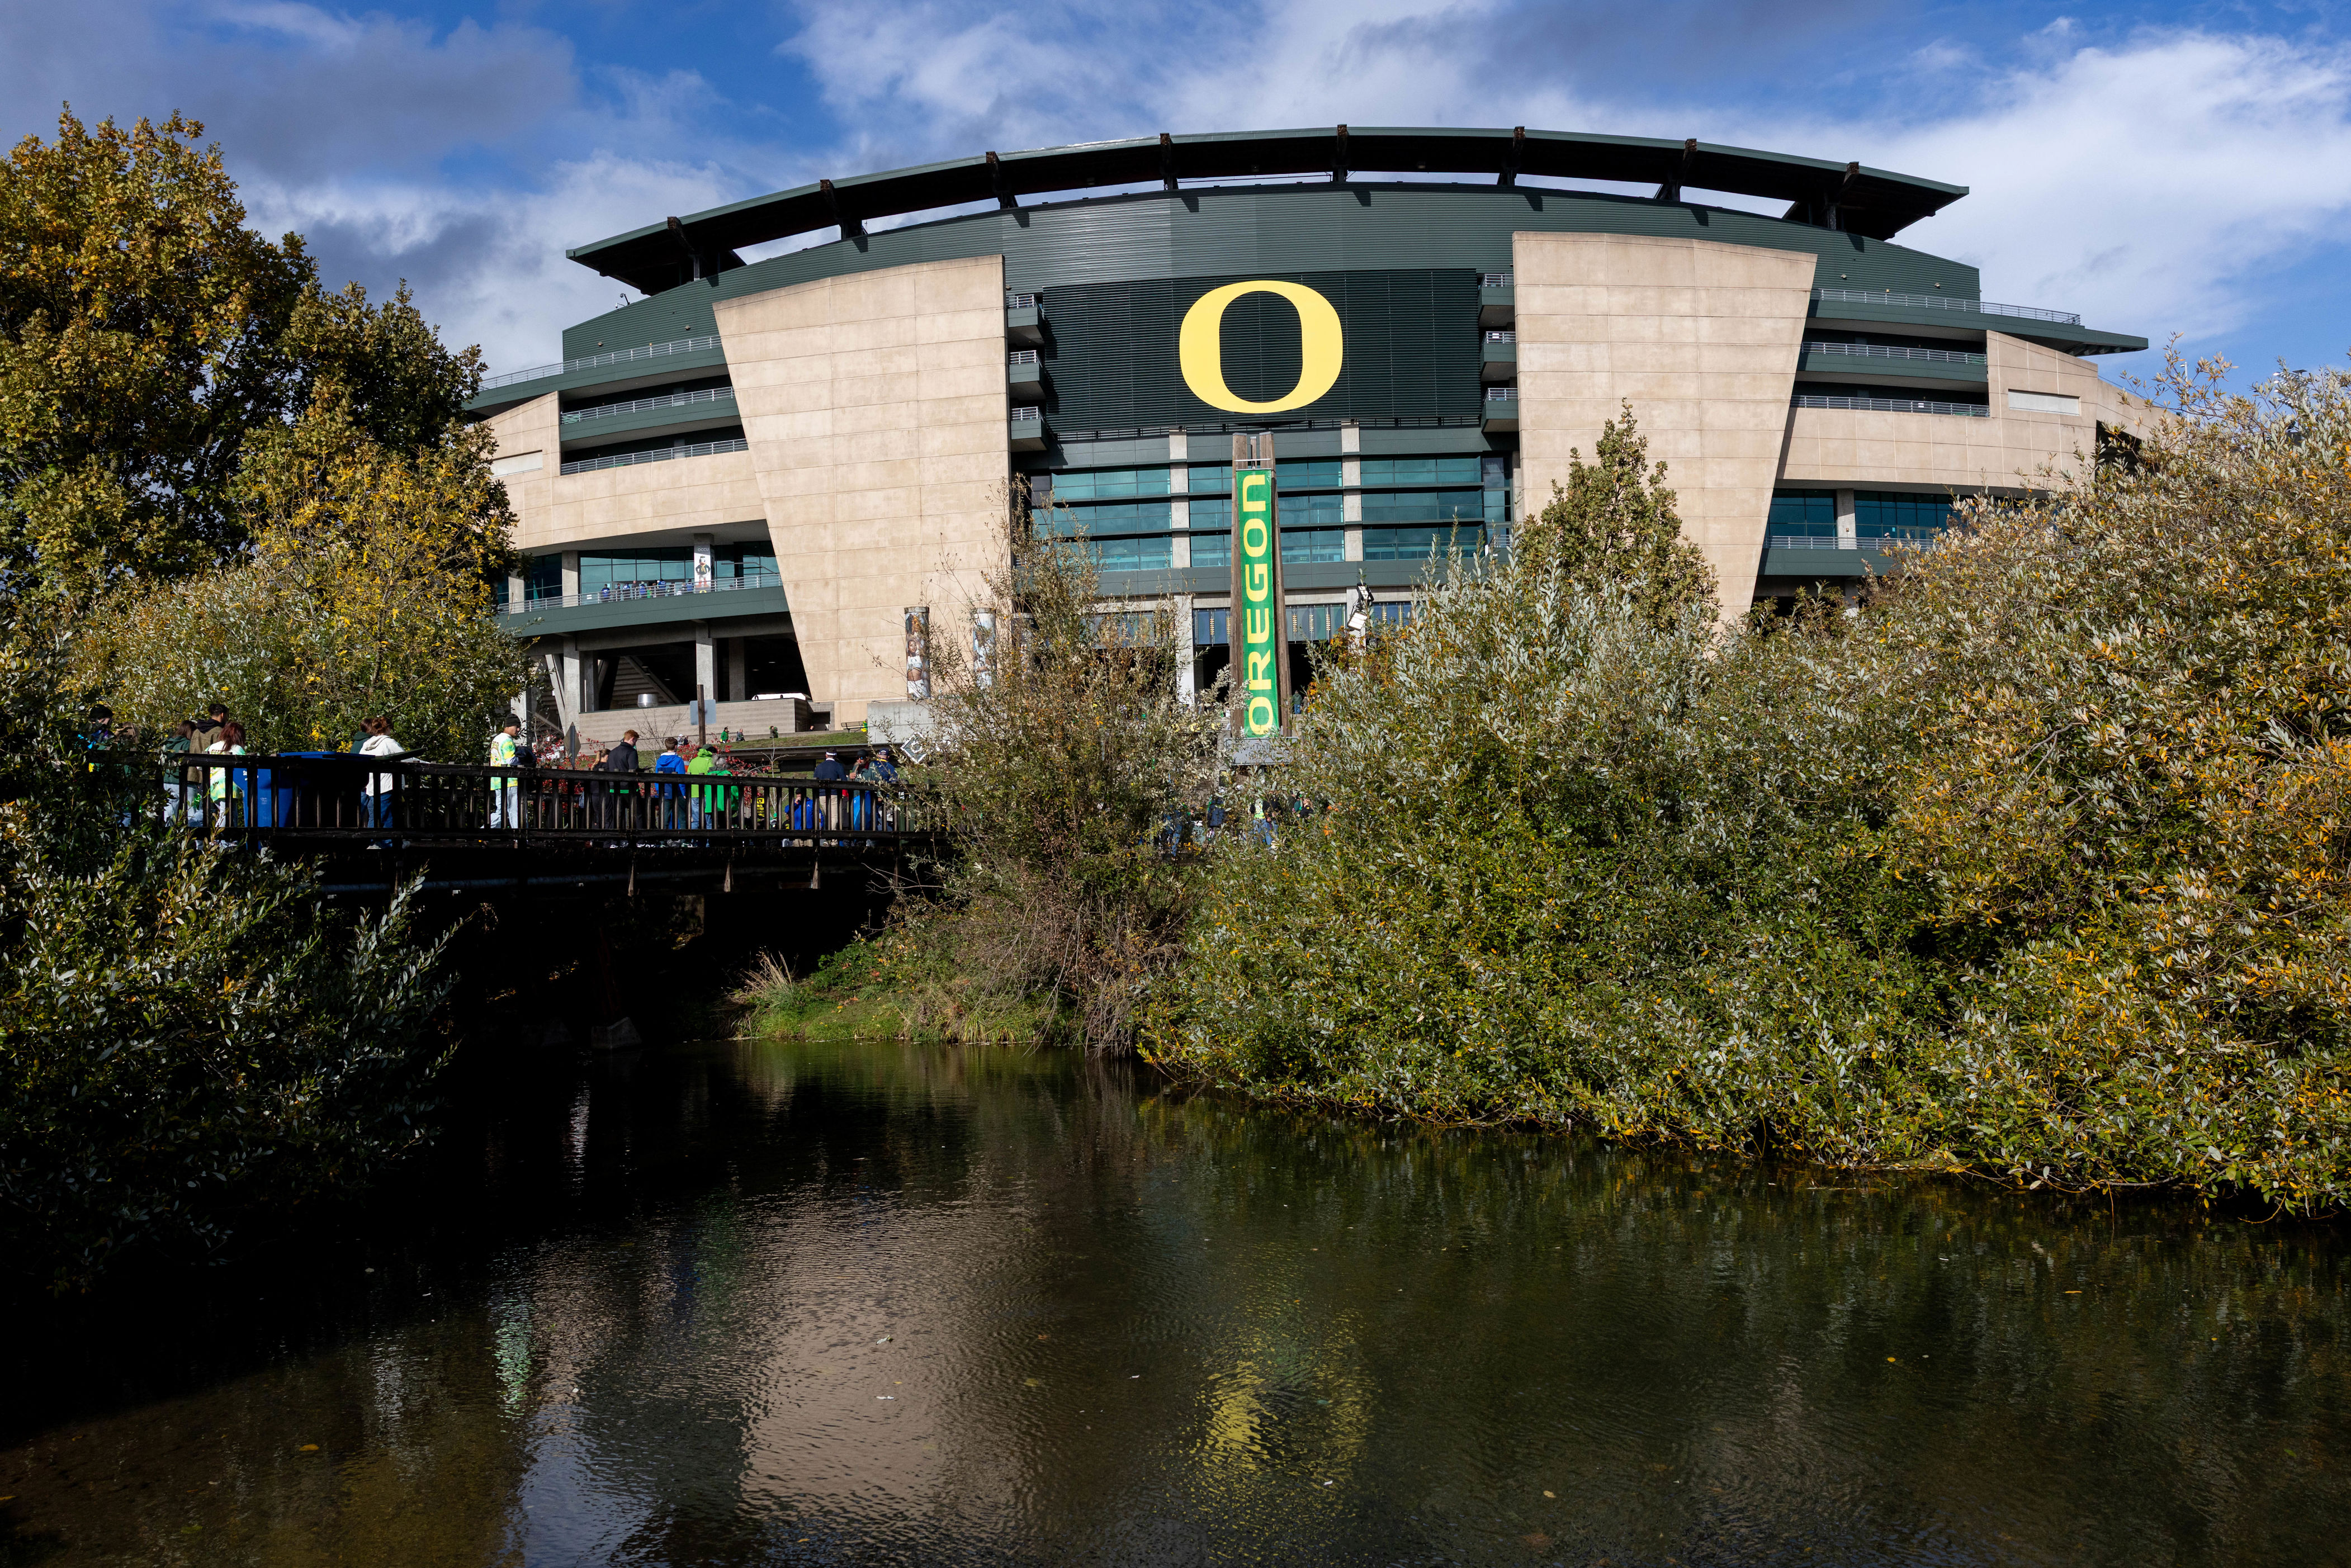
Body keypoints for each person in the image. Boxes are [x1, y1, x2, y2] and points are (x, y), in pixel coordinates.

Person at [359, 716, 403, 833]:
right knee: (387, 817)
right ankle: (387, 842)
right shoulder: (389, 743)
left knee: (376, 817)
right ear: (388, 728)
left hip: (372, 786)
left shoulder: (367, 745)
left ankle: (373, 841)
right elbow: (405, 758)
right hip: (387, 785)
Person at [206, 721, 248, 827]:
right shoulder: (237, 749)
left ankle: (227, 841)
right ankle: (217, 839)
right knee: (226, 814)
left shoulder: (212, 747)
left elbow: (199, 767)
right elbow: (245, 767)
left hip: (213, 786)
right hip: (229, 786)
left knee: (226, 813)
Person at [598, 729, 641, 832]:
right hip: (629, 789)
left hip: (614, 788)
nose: (635, 744)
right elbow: (633, 769)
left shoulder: (613, 752)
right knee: (638, 814)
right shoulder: (631, 752)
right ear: (633, 739)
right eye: (635, 741)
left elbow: (609, 767)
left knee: (617, 815)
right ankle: (640, 839)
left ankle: (617, 840)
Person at [489, 717, 524, 829]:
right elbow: (511, 760)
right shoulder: (508, 741)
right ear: (508, 726)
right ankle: (520, 838)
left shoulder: (496, 740)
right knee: (515, 811)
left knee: (501, 811)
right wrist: (524, 760)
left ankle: (483, 833)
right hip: (510, 781)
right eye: (516, 727)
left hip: (497, 781)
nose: (518, 729)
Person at [161, 719, 195, 824]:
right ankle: (195, 837)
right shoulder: (188, 744)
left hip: (168, 780)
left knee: (169, 811)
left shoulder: (167, 744)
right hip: (184, 782)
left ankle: (167, 836)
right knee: (192, 811)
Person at [654, 736, 687, 830]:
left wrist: (658, 790)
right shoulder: (678, 760)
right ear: (676, 746)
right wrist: (684, 793)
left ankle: (663, 840)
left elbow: (657, 777)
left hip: (664, 791)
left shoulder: (660, 760)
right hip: (678, 792)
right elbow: (681, 778)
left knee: (665, 817)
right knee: (682, 817)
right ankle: (684, 840)